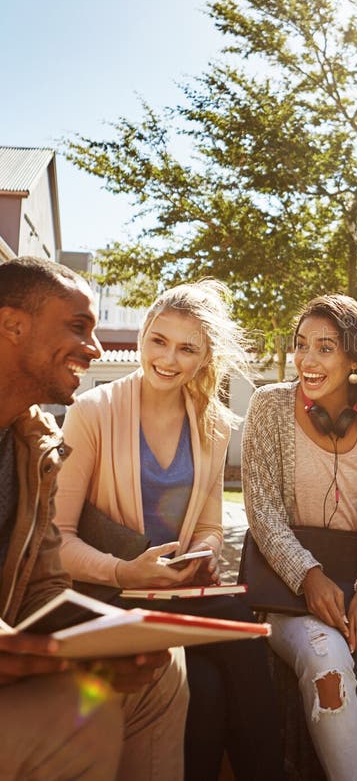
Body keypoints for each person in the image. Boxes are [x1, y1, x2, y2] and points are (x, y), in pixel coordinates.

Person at [55, 279, 284, 781]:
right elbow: (56, 540)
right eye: (158, 340)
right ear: (142, 336)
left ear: (204, 359)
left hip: (176, 594)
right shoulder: (92, 412)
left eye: (187, 348)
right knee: (238, 620)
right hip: (108, 595)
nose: (168, 358)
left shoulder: (213, 423)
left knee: (204, 685)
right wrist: (126, 569)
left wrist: (197, 555)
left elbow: (206, 525)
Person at [0, 256, 188, 781]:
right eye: (78, 327)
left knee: (160, 667)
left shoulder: (32, 445)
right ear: (13, 325)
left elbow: (43, 587)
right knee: (83, 717)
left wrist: (110, 634)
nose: (97, 348)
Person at [242, 294, 357, 781]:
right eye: (301, 344)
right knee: (329, 674)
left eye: (325, 347)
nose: (307, 359)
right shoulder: (269, 407)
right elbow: (263, 513)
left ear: (352, 358)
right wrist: (309, 577)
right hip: (290, 592)